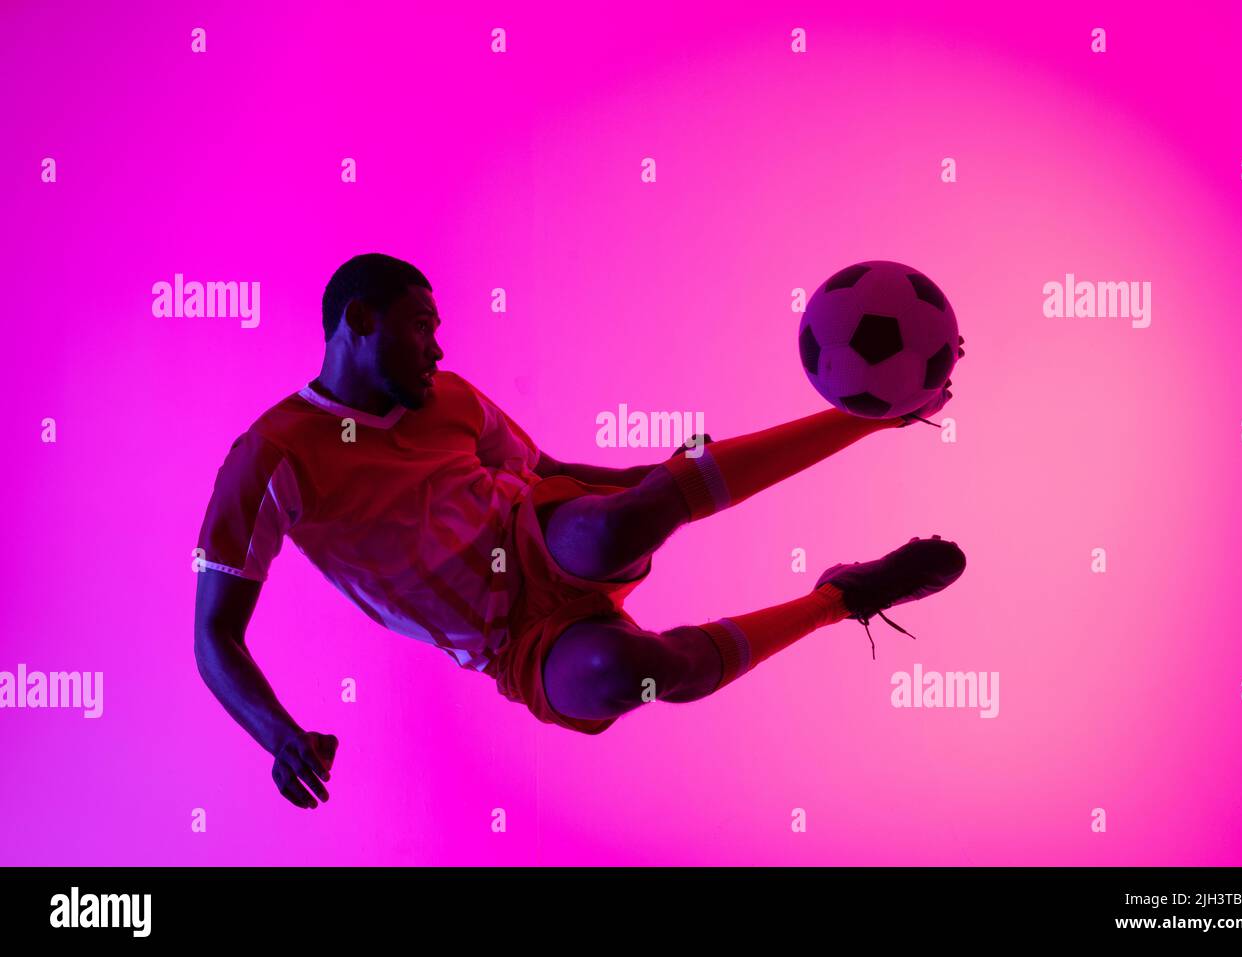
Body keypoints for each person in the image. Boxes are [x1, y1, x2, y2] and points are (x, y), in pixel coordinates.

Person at [193, 252, 967, 810]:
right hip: (508, 644)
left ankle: (872, 419)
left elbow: (551, 466)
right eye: (423, 325)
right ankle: (839, 597)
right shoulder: (269, 455)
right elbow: (214, 637)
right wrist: (279, 733)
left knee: (607, 532)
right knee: (635, 671)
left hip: (533, 533)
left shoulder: (452, 397)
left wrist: (665, 483)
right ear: (360, 321)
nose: (438, 346)